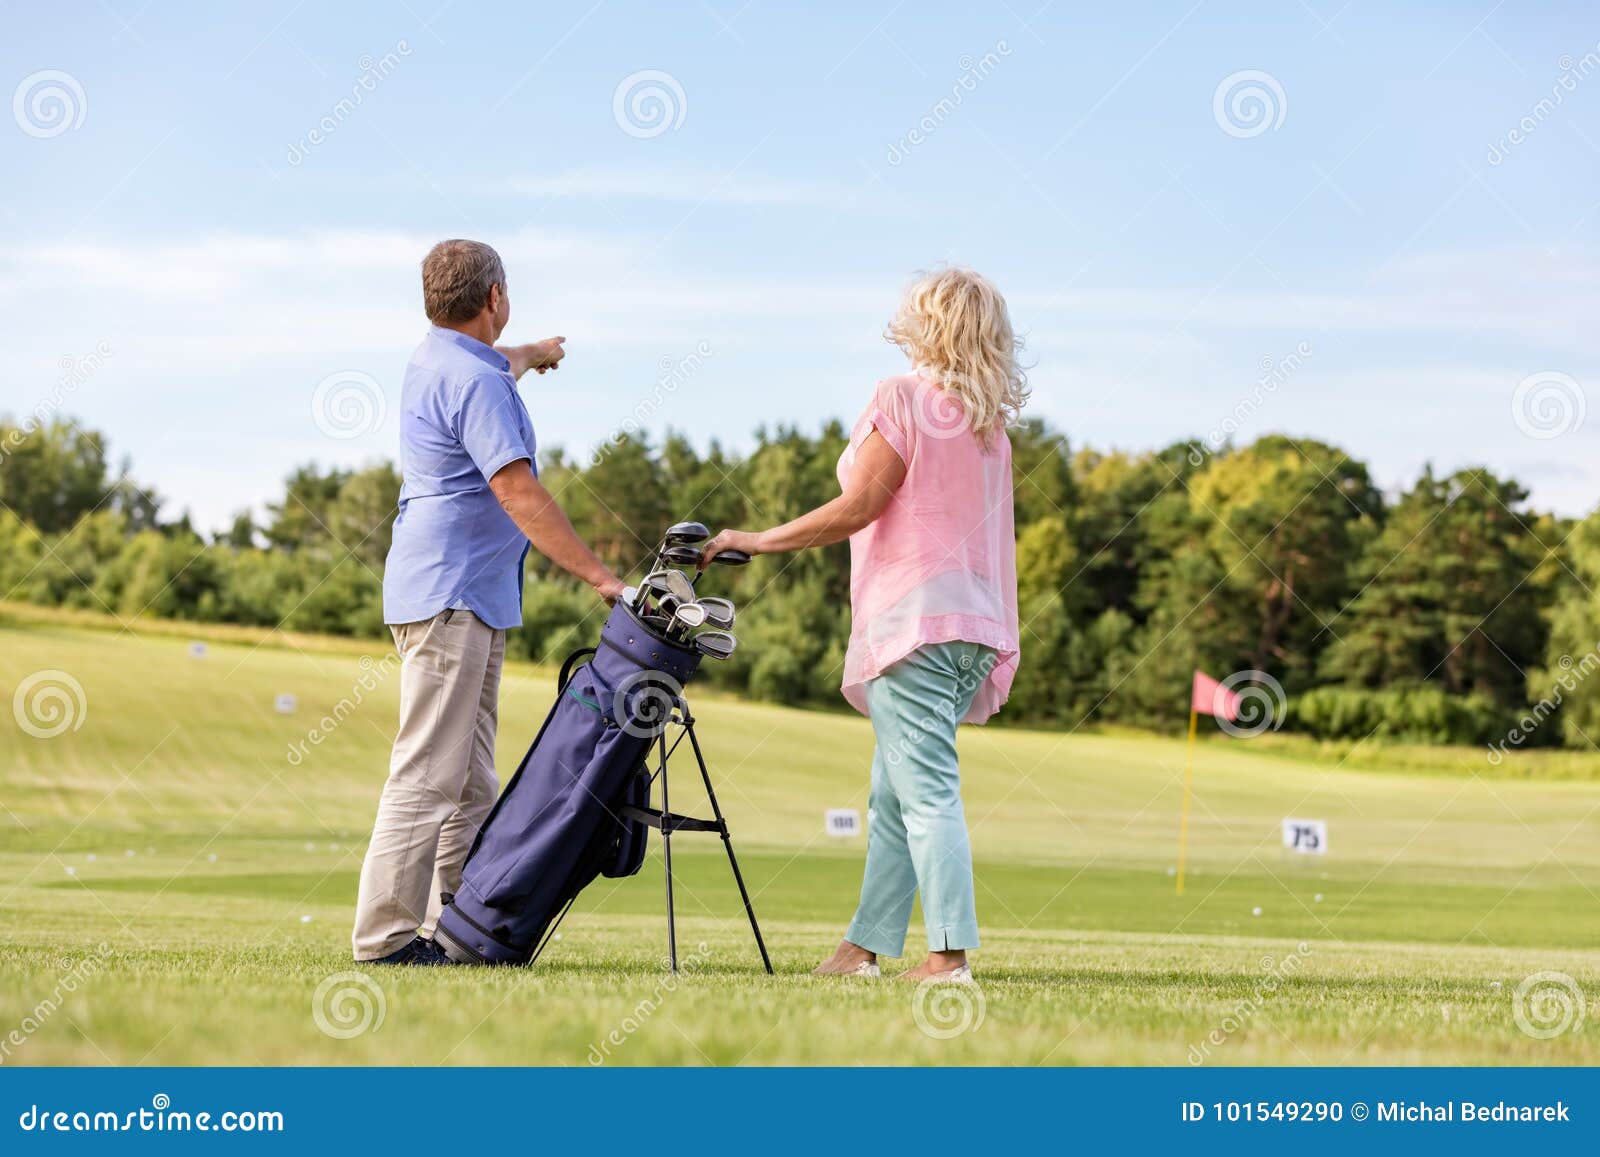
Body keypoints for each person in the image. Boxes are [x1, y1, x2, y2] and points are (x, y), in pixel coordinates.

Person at [700, 267, 1024, 982]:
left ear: (926, 324)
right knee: (894, 792)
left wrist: (757, 540)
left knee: (926, 789)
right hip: (972, 625)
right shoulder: (988, 428)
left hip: (914, 624)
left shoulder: (901, 397)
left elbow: (858, 505)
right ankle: (863, 948)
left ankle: (948, 956)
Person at [352, 239, 625, 966]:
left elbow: (498, 363)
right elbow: (517, 491)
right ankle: (384, 940)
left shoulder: (440, 358)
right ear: (494, 297)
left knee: (471, 780)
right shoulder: (476, 384)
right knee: (429, 771)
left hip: (461, 593)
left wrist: (534, 351)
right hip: (453, 595)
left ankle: (463, 925)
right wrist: (603, 578)